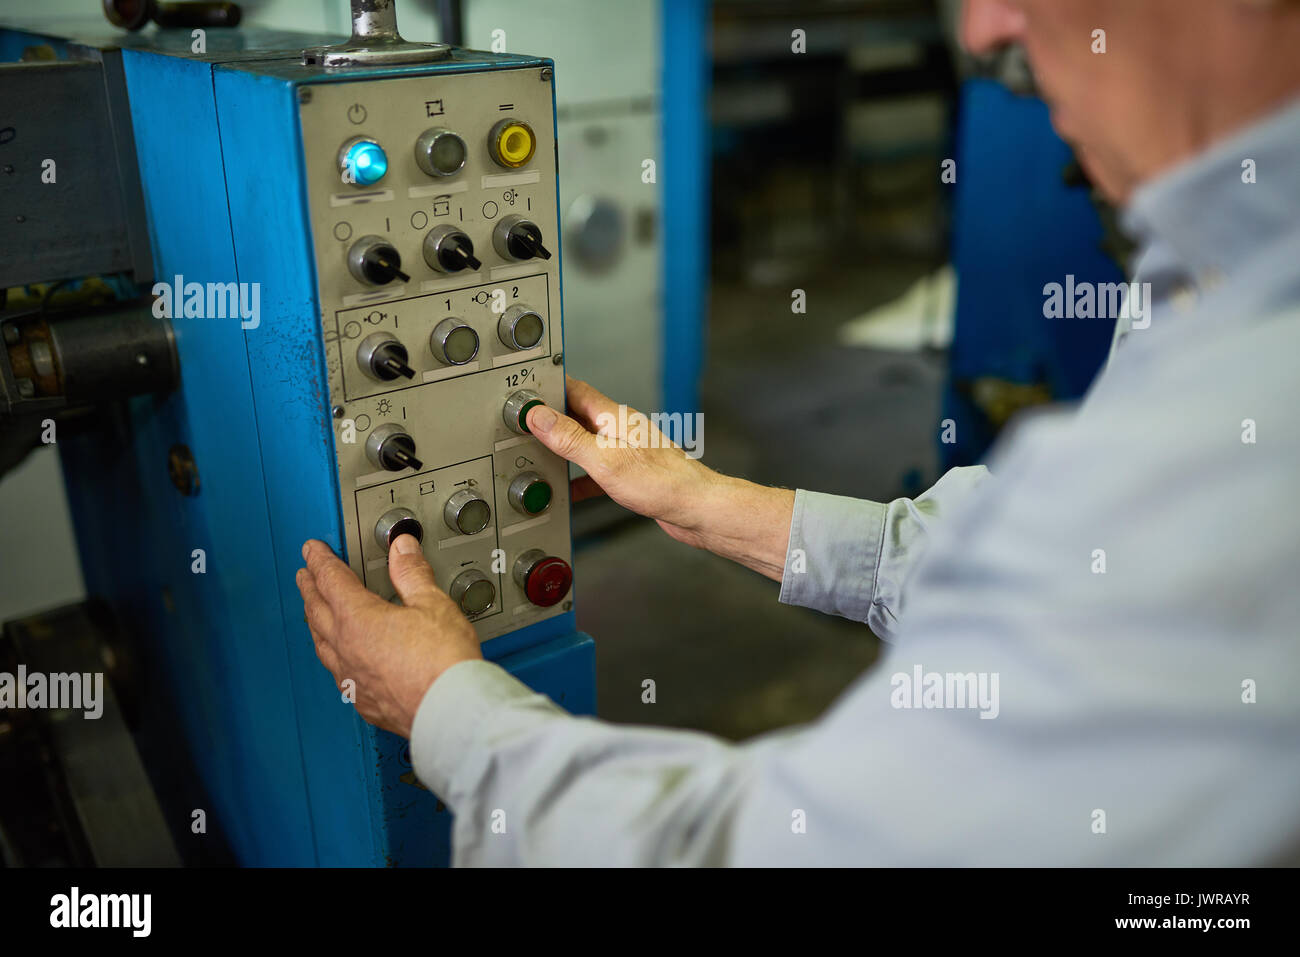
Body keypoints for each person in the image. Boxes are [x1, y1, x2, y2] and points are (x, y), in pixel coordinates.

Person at [296, 0, 1300, 865]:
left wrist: (446, 711)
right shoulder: (1214, 280)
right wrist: (706, 502)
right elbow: (1055, 570)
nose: (986, 28)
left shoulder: (1242, 431)